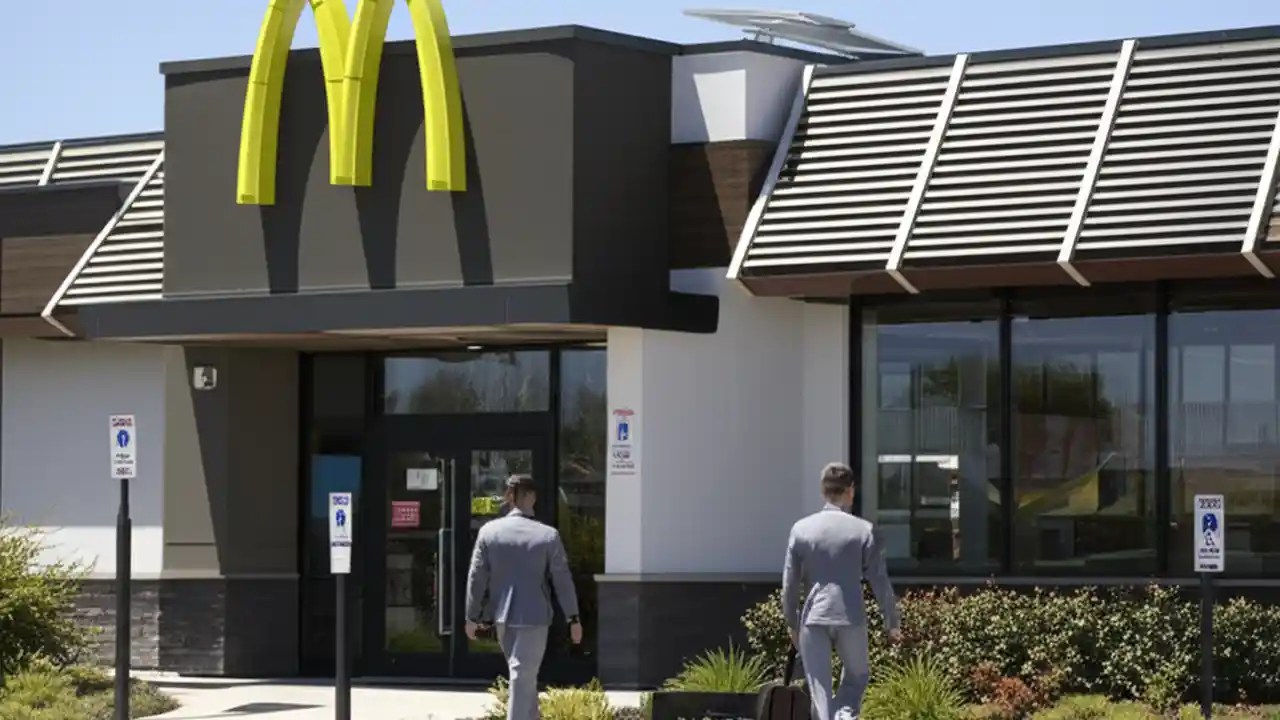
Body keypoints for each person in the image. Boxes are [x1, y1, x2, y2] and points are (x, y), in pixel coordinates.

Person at [782, 462, 902, 720]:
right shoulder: (864, 530)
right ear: (850, 491)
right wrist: (891, 621)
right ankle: (845, 716)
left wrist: (792, 623)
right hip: (850, 616)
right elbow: (880, 580)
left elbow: (790, 584)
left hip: (813, 618)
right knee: (857, 677)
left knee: (819, 691)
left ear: (823, 491)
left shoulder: (801, 529)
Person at [465, 474, 582, 720]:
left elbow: (476, 577)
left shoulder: (488, 532)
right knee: (522, 676)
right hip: (534, 617)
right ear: (531, 497)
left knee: (523, 676)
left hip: (502, 618)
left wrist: (471, 616)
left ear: (509, 497)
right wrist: (573, 618)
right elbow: (562, 580)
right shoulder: (548, 535)